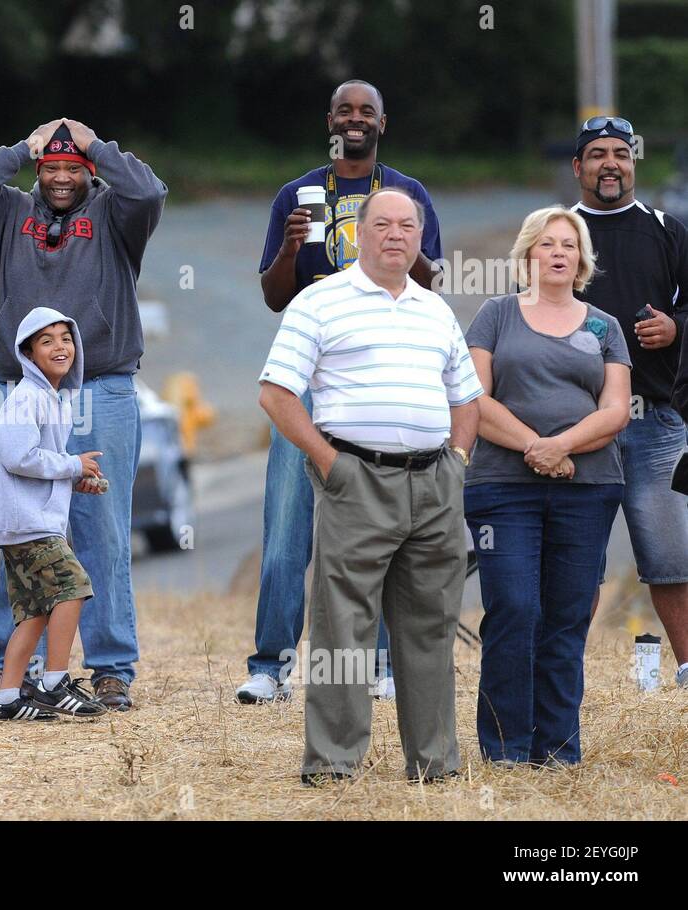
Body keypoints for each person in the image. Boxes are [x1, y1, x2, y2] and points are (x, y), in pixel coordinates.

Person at [258, 188, 482, 784]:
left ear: (420, 237)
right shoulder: (320, 302)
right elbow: (277, 394)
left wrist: (457, 460)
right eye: (382, 224)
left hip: (434, 482)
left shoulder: (436, 310)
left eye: (408, 226)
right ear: (360, 232)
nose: (395, 235)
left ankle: (434, 764)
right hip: (356, 479)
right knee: (342, 629)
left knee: (430, 626)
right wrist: (331, 464)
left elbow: (467, 398)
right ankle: (333, 765)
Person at [0, 117, 168, 711]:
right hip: (16, 390)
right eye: (53, 167)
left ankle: (109, 668)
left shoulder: (115, 216)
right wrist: (21, 146)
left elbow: (148, 191)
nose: (63, 178)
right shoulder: (6, 214)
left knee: (101, 529)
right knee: (20, 526)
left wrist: (98, 144)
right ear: (39, 169)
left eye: (74, 168)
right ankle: (13, 672)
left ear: (89, 172)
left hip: (100, 386)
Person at [240, 79, 444, 705]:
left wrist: (394, 242)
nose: (356, 121)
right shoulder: (295, 194)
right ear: (329, 119)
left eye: (368, 112)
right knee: (284, 537)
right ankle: (270, 665)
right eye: (346, 111)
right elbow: (275, 296)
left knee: (378, 533)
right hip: (306, 380)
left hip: (376, 381)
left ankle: (380, 665)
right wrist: (291, 249)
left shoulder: (406, 195)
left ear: (385, 122)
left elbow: (429, 285)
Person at [464, 207, 630, 766]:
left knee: (567, 613)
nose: (559, 252)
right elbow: (473, 400)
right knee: (513, 607)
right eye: (548, 243)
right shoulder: (495, 314)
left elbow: (615, 411)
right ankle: (506, 749)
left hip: (588, 488)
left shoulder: (604, 325)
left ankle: (558, 749)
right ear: (528, 254)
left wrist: (562, 448)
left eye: (570, 245)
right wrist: (537, 446)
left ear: (581, 259)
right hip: (502, 487)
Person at [572, 117, 688, 689]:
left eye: (621, 152)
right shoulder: (559, 233)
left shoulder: (668, 229)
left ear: (634, 162)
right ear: (579, 168)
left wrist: (676, 327)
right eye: (597, 155)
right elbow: (525, 314)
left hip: (656, 422)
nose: (610, 163)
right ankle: (561, 670)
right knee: (576, 560)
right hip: (579, 425)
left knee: (672, 555)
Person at [0, 307, 109, 721]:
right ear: (28, 353)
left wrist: (75, 477)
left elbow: (39, 463)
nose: (60, 347)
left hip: (25, 521)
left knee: (36, 610)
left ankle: (5, 700)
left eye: (66, 337)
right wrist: (72, 465)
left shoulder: (53, 399)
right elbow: (16, 456)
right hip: (28, 522)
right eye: (47, 340)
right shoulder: (27, 397)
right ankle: (55, 682)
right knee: (73, 588)